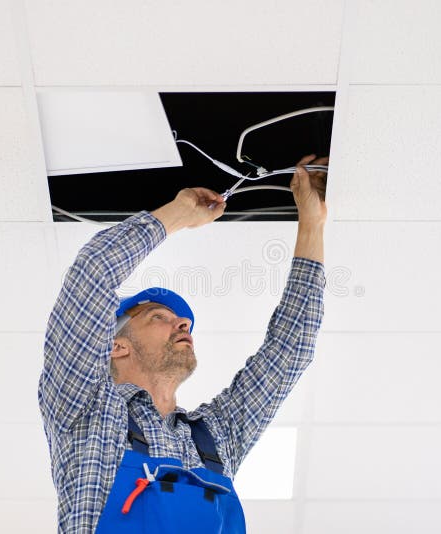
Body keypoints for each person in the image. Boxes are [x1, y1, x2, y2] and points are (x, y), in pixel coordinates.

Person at [38, 155, 328, 533]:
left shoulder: (214, 436)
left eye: (184, 322)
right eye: (159, 317)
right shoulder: (86, 408)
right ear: (116, 346)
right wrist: (177, 214)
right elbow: (93, 274)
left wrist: (312, 222)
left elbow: (290, 350)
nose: (182, 325)